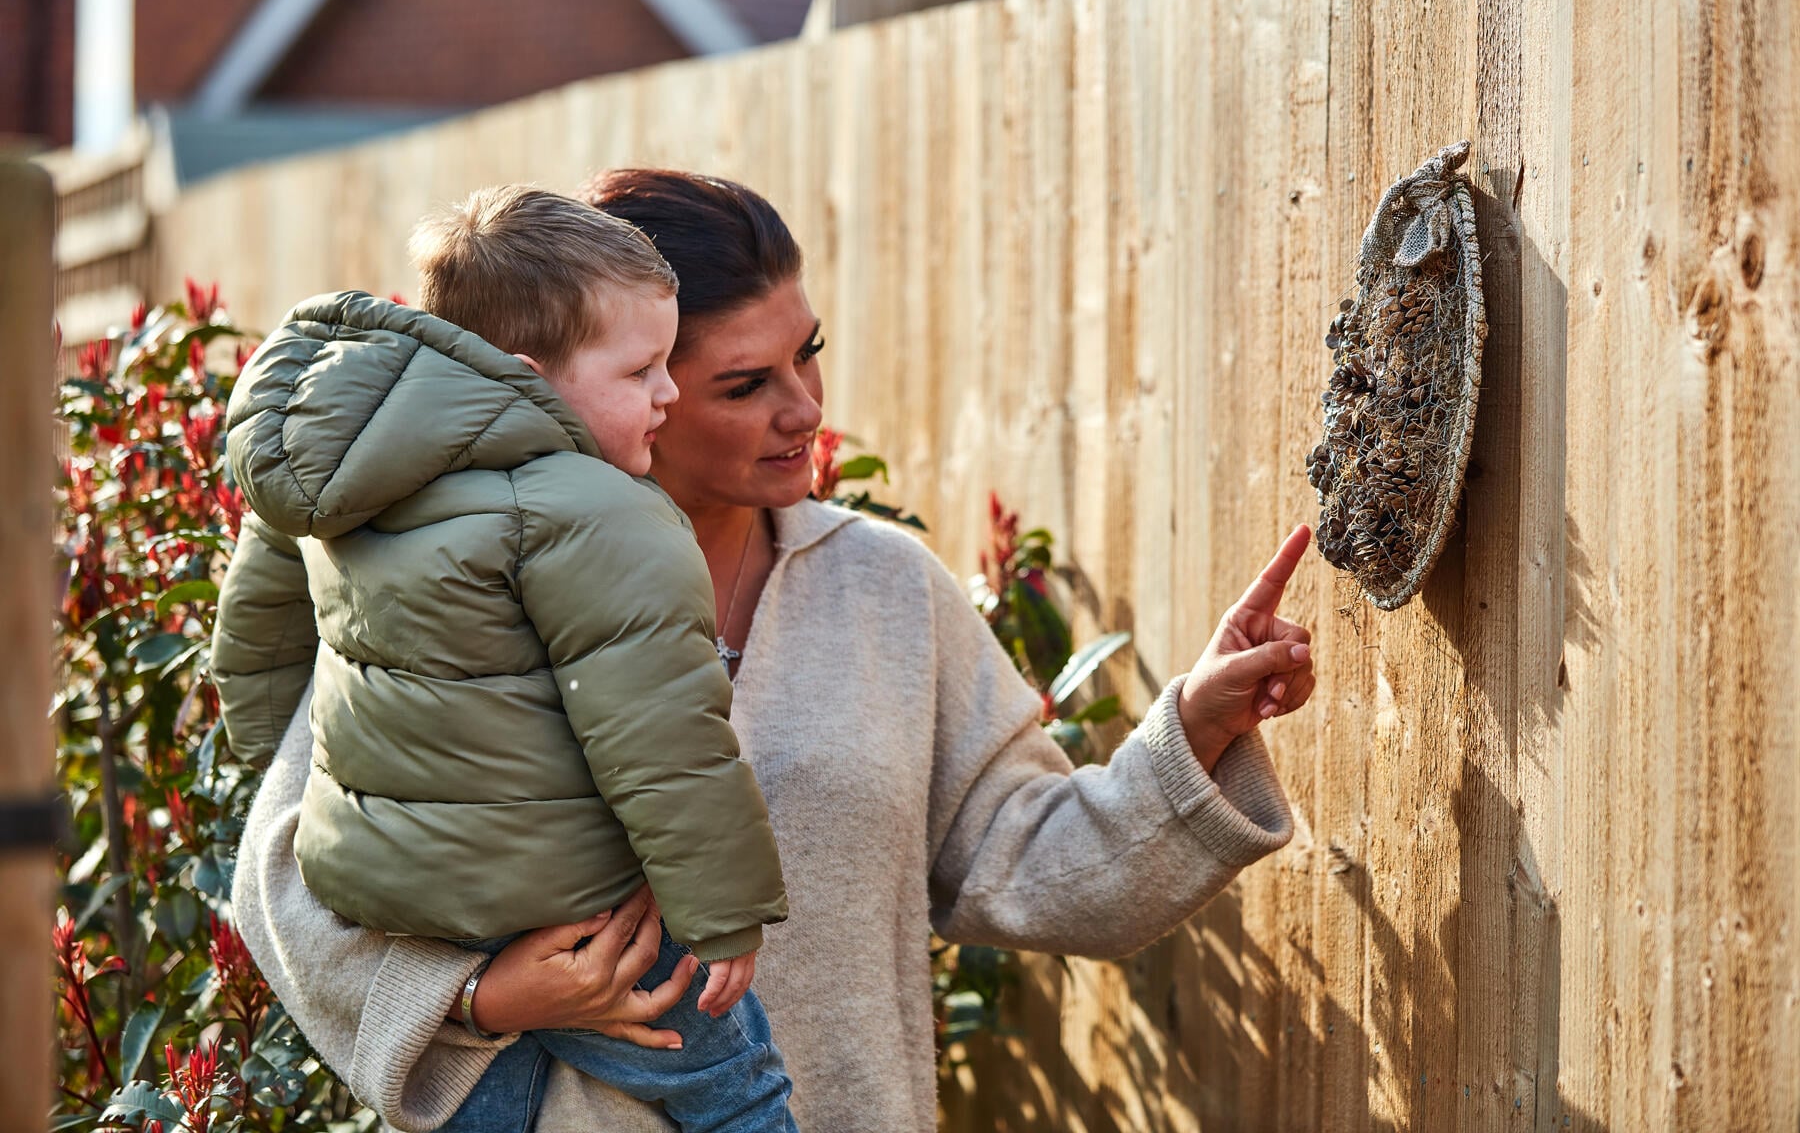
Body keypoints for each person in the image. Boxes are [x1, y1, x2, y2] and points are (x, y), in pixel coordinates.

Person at [221, 169, 1317, 1133]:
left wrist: (1199, 728)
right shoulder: (447, 582)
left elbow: (1025, 865)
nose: (807, 412)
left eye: (810, 356)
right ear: (587, 387)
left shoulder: (885, 589)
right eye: (744, 385)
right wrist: (475, 998)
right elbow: (284, 878)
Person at [213, 184, 798, 1131]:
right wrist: (723, 913)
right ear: (530, 375)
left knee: (488, 1099)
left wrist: (263, 751)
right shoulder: (597, 510)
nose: (669, 392)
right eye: (643, 369)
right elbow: (664, 739)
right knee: (738, 1093)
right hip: (569, 907)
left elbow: (256, 635)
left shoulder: (333, 471)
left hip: (382, 891)